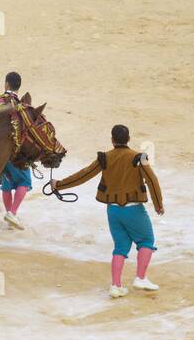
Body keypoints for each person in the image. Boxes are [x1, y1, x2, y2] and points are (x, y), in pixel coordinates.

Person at [51, 124, 164, 298]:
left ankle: (116, 286)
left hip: (113, 211)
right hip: (133, 209)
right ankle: (140, 278)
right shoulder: (139, 157)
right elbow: (152, 180)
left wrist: (59, 185)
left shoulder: (105, 157)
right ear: (128, 139)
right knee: (146, 241)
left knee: (120, 247)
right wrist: (158, 204)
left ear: (112, 140)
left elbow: (84, 175)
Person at [0, 72, 30, 229]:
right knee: (24, 181)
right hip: (18, 152)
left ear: (6, 84)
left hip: (1, 152)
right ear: (19, 86)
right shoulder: (22, 105)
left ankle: (10, 215)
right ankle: (12, 213)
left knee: (7, 184)